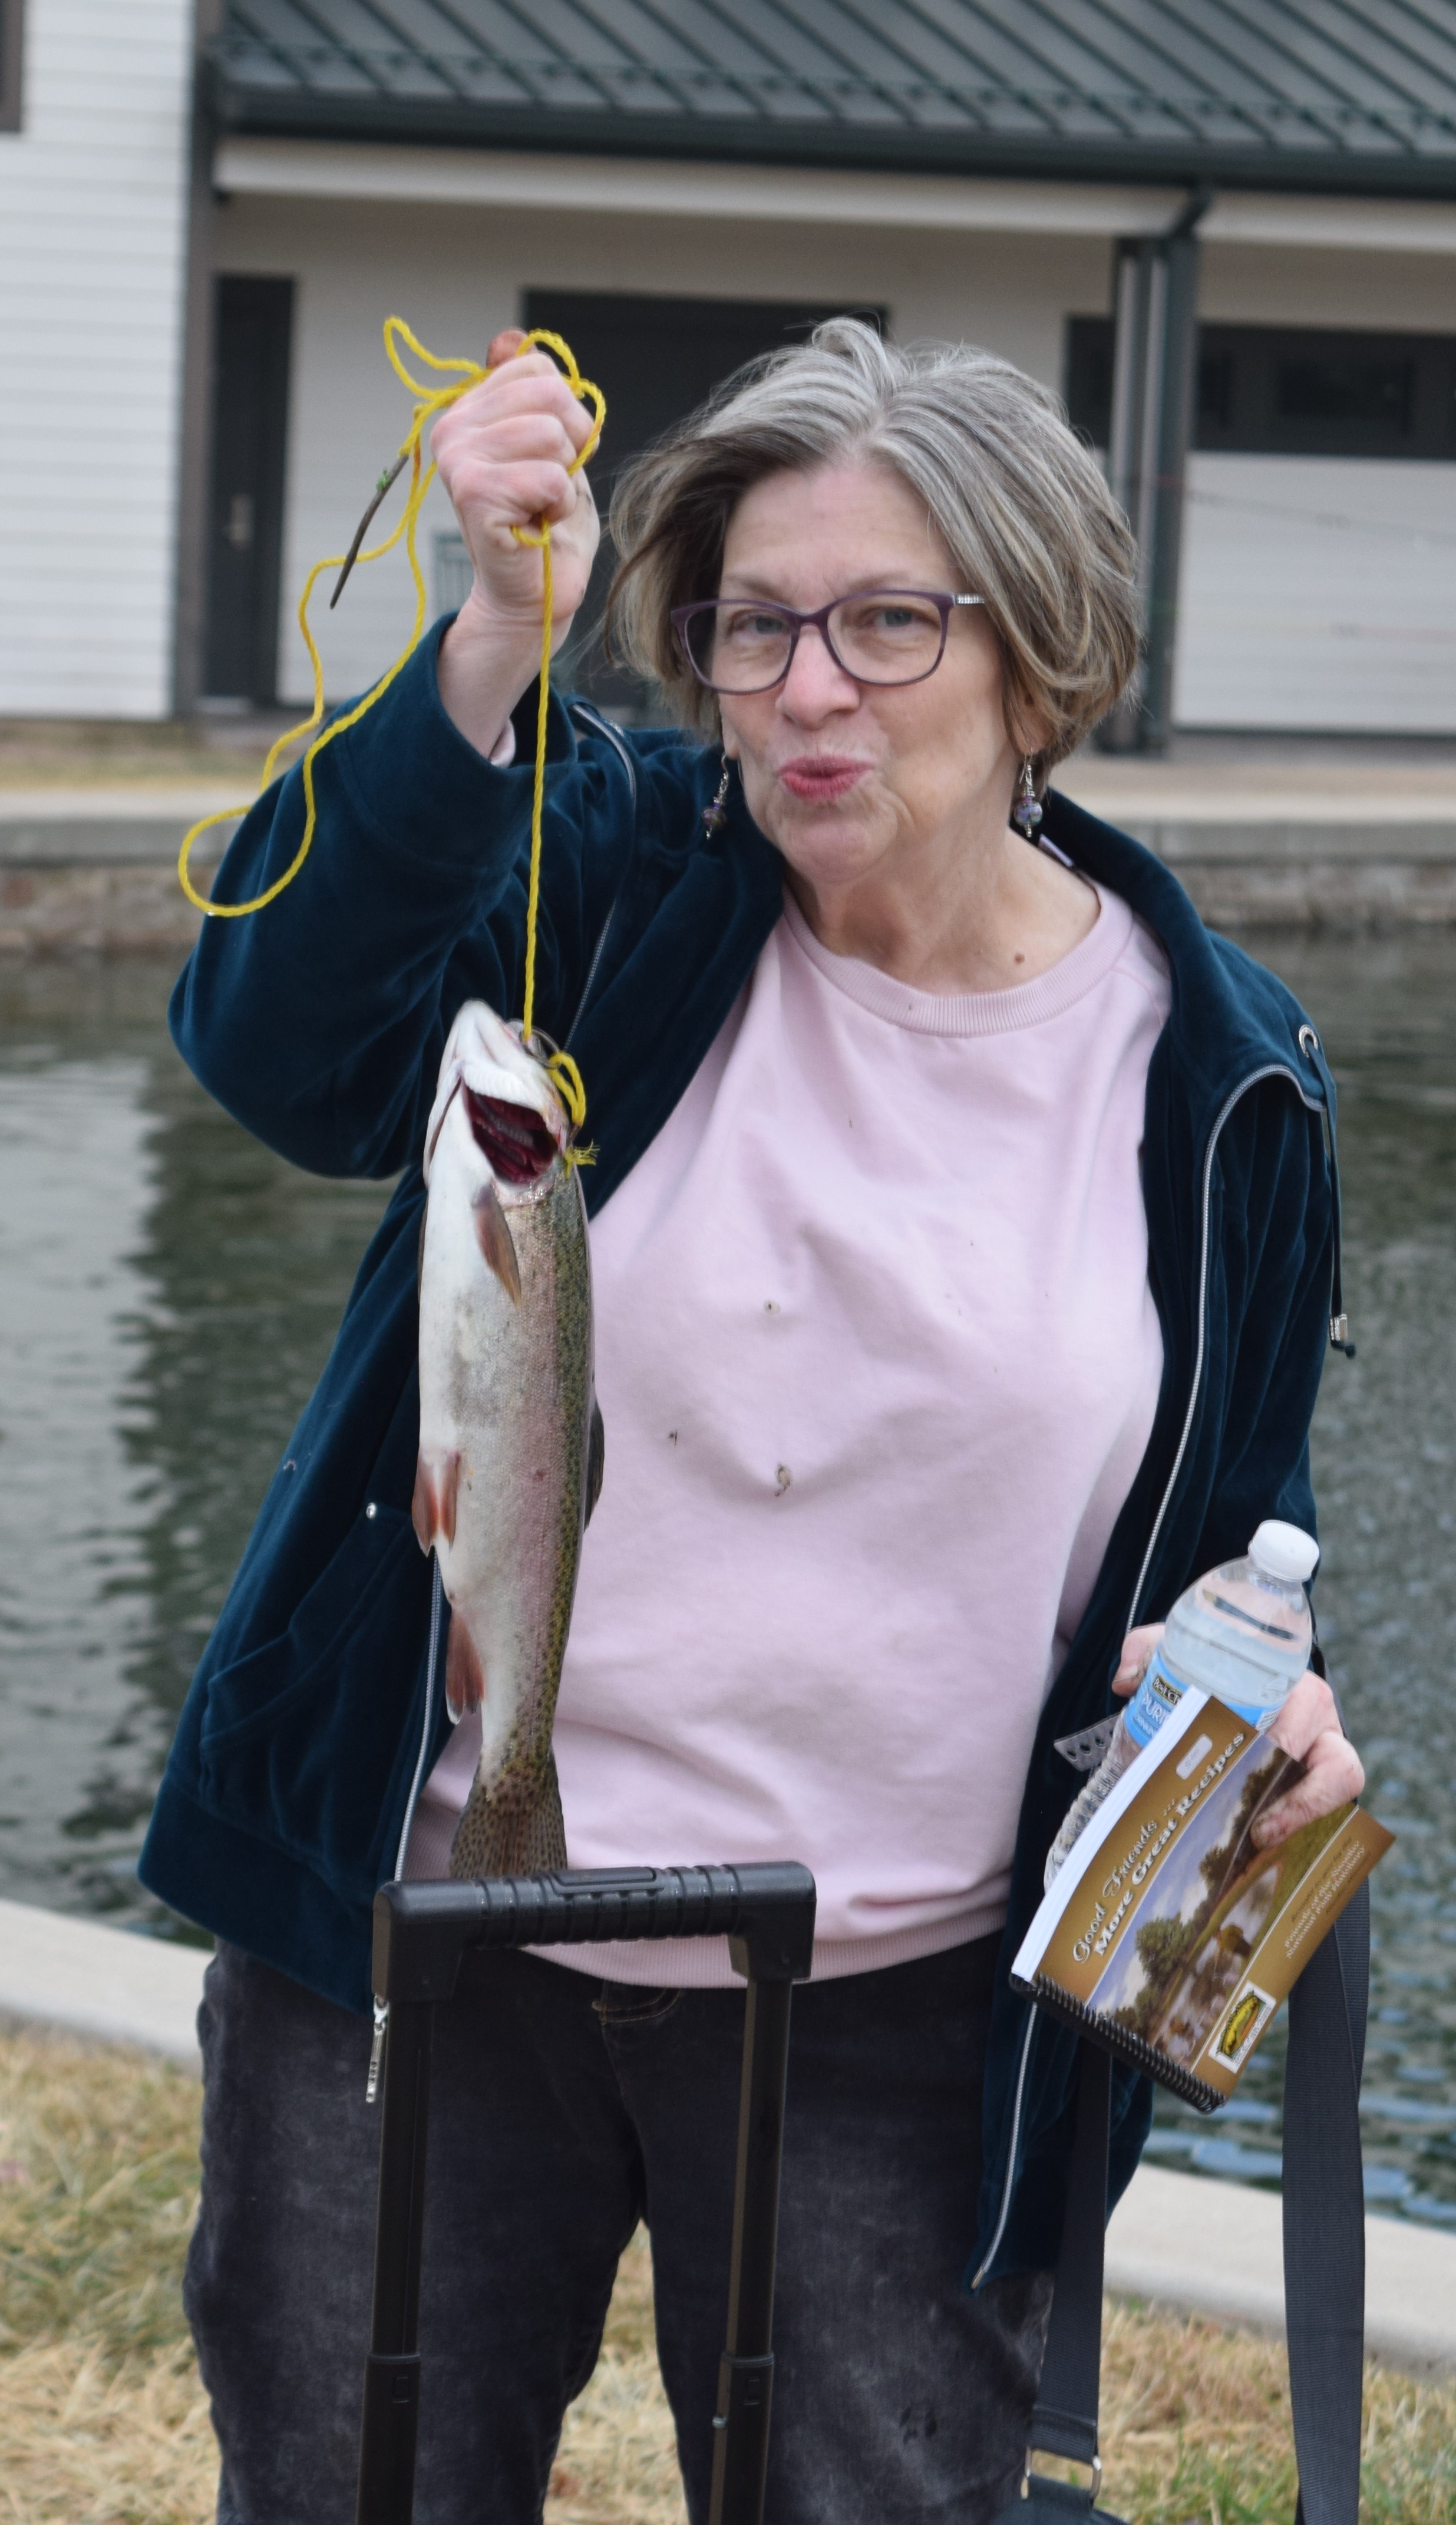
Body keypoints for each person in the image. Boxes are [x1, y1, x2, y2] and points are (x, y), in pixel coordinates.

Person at [140, 319, 1363, 2525]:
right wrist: (486, 645)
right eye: (754, 626)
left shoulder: (1228, 1084)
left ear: (1040, 653)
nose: (810, 690)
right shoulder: (601, 874)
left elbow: (1228, 1536)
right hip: (423, 1928)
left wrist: (1268, 1724)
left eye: (892, 622)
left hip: (895, 2013)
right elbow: (275, 1042)